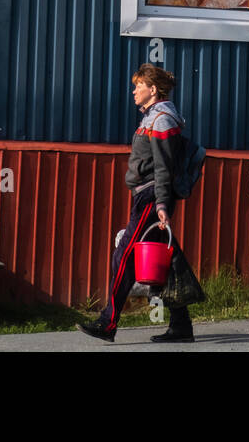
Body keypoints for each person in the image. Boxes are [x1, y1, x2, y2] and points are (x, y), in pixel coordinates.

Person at [78, 64, 194, 344]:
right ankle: (181, 325)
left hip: (152, 196)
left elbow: (165, 167)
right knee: (164, 261)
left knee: (124, 254)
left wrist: (162, 204)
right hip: (146, 194)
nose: (134, 90)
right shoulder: (153, 116)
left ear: (152, 90)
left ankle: (108, 322)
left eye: (138, 85)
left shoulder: (162, 119)